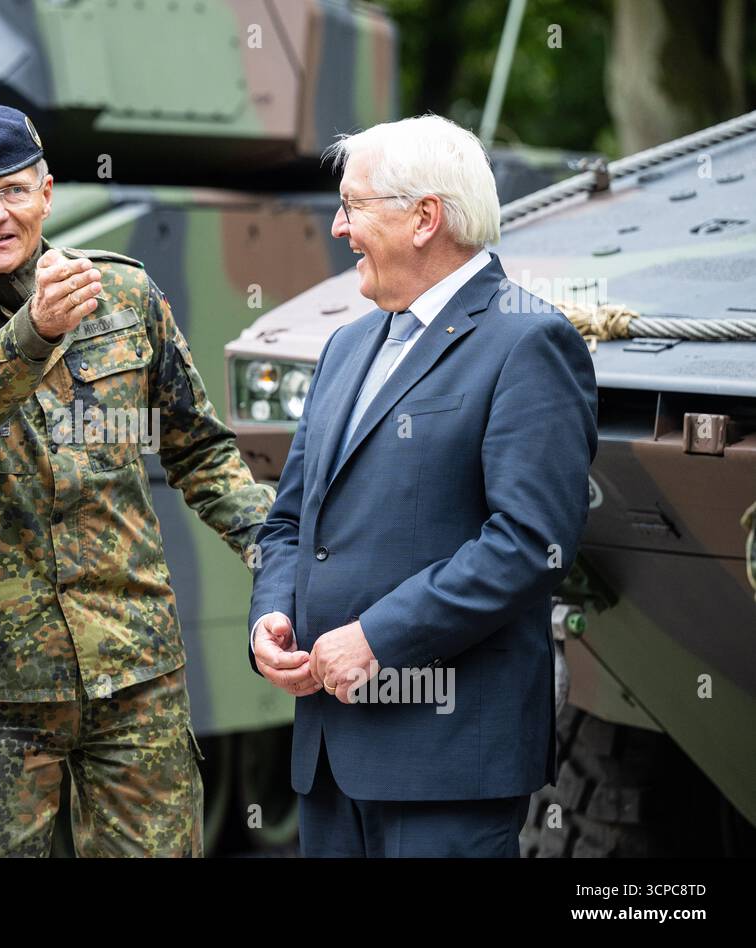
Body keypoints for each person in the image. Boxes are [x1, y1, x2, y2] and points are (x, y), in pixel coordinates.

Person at [0, 105, 274, 857]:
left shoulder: (124, 296)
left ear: (48, 193)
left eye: (12, 191)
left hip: (135, 669)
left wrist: (272, 549)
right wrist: (34, 332)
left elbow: (198, 447)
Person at [249, 114, 598, 857]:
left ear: (424, 219)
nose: (340, 228)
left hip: (446, 768)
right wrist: (271, 617)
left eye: (354, 206)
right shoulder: (346, 346)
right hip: (330, 761)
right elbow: (288, 524)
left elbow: (529, 544)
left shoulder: (527, 340)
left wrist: (377, 639)